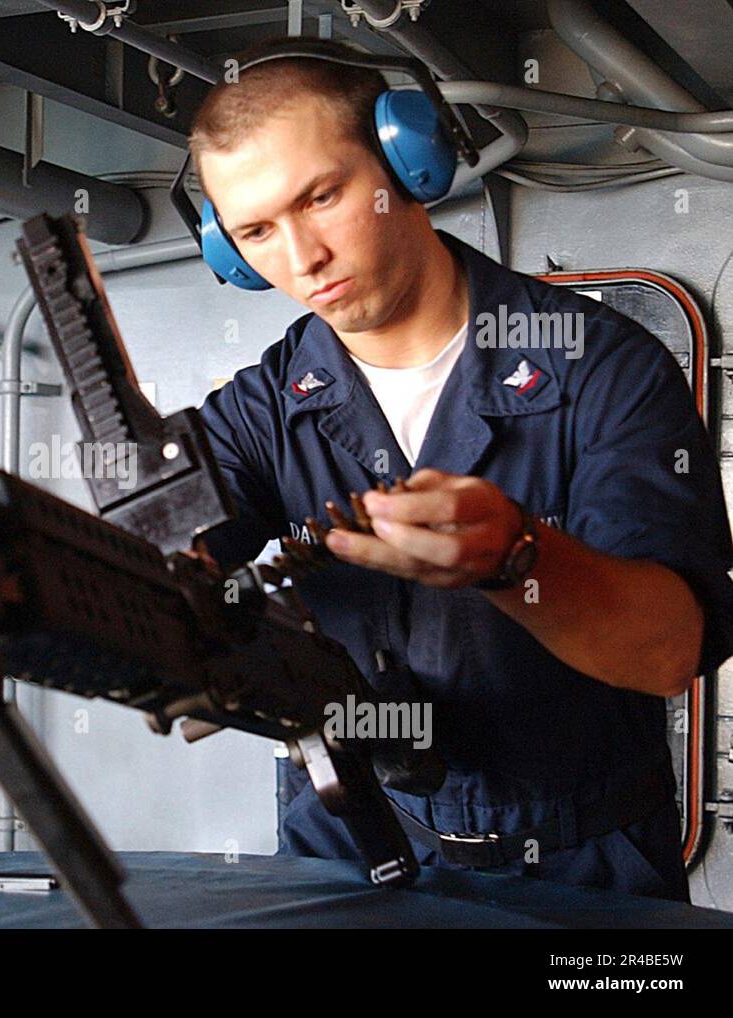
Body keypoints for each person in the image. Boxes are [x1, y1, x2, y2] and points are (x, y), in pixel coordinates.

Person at [188, 37, 733, 901]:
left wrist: (517, 562)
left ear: (406, 159)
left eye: (322, 197)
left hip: (582, 865)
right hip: (348, 841)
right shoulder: (262, 411)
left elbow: (668, 653)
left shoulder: (600, 367)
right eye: (256, 231)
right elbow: (156, 546)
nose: (302, 258)